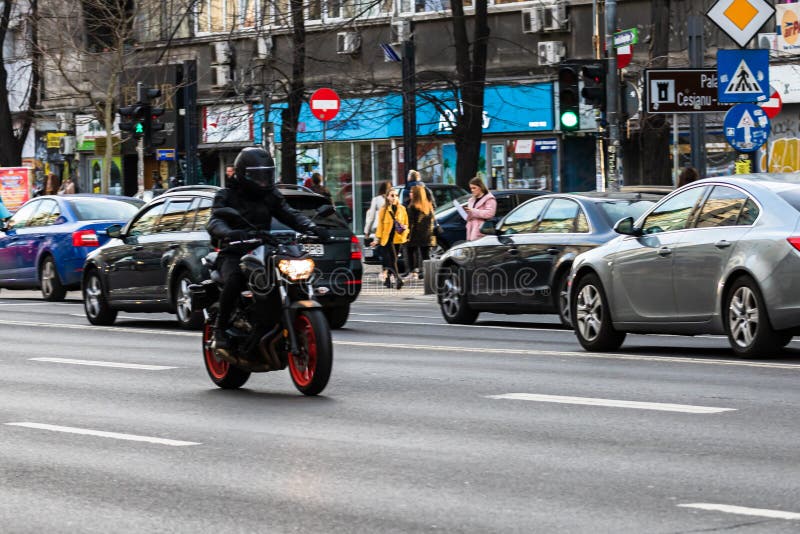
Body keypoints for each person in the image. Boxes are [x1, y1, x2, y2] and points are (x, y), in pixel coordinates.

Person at [207, 147, 330, 350]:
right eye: (257, 175)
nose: (263, 180)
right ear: (243, 174)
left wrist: (312, 227)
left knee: (291, 273)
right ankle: (220, 329)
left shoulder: (270, 195)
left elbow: (289, 213)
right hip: (235, 250)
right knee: (236, 278)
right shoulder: (226, 195)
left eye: (267, 175)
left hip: (264, 248)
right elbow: (215, 221)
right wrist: (229, 233)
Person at [371, 188, 408, 290]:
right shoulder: (383, 210)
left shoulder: (402, 209)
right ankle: (398, 279)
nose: (394, 197)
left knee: (391, 260)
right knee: (393, 259)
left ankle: (387, 281)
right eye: (392, 195)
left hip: (398, 238)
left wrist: (405, 229)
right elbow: (380, 226)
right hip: (386, 239)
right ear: (387, 197)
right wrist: (376, 239)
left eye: (396, 195)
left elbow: (406, 223)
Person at [406, 185, 435, 280]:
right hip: (426, 235)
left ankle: (413, 272)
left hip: (414, 234)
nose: (410, 194)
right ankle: (429, 274)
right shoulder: (428, 206)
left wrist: (407, 235)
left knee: (411, 252)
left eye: (411, 192)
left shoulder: (412, 206)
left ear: (416, 195)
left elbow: (411, 223)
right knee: (425, 255)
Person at [465, 176, 497, 241]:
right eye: (471, 188)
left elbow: (490, 213)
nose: (472, 190)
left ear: (480, 187)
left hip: (482, 230)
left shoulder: (489, 199)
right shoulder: (471, 200)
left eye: (474, 188)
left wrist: (473, 211)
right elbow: (471, 214)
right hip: (471, 229)